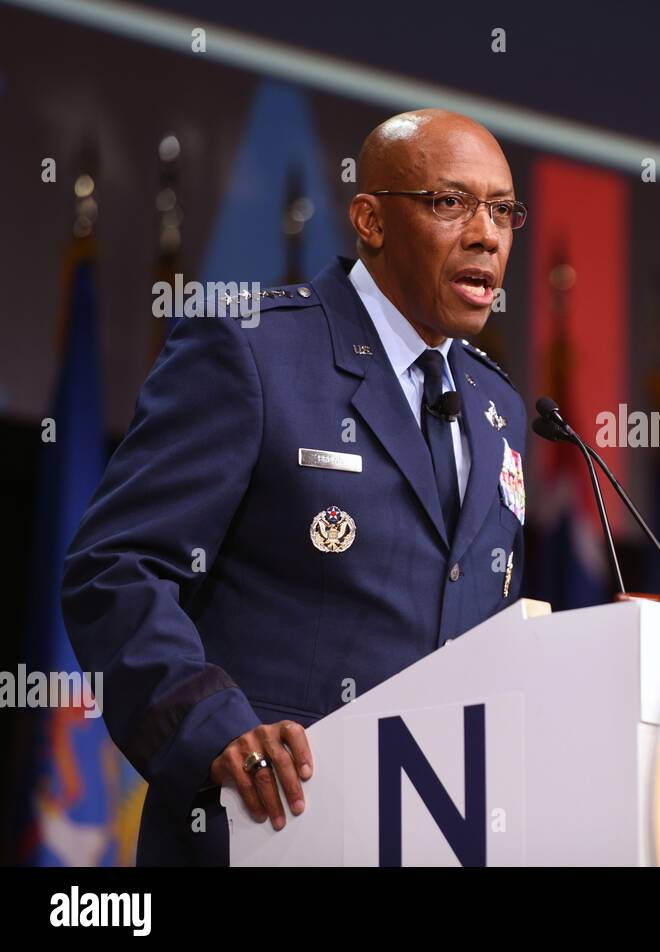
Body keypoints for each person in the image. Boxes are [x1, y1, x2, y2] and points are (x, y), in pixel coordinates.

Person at [61, 109, 529, 865]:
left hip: (441, 836)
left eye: (504, 210)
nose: (487, 234)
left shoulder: (499, 406)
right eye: (451, 203)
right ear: (370, 220)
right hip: (270, 827)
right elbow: (115, 570)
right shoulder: (253, 351)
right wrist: (213, 730)